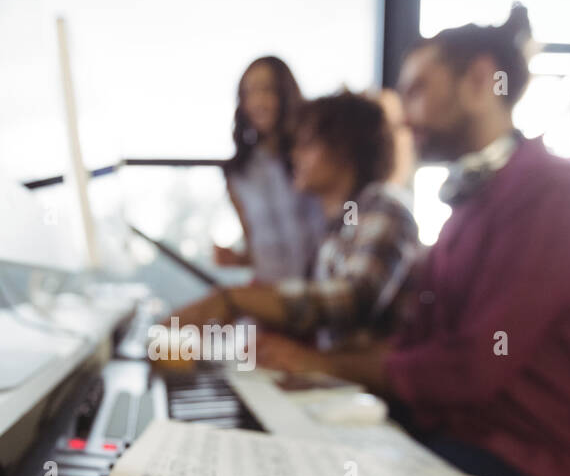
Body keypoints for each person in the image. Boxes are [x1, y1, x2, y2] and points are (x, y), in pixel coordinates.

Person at [256, 4, 570, 476]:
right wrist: (316, 364)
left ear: (480, 80)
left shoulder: (554, 194)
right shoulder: (473, 205)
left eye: (417, 89)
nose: (406, 115)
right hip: (458, 449)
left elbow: (473, 368)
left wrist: (323, 362)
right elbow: (415, 347)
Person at [173, 89, 418, 350]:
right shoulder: (348, 216)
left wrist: (235, 300)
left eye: (307, 144)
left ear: (345, 147)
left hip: (368, 388)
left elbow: (355, 299)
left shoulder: (382, 205)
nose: (295, 155)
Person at [217, 57, 327, 282]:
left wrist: (353, 222)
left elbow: (348, 212)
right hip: (272, 298)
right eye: (249, 93)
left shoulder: (316, 157)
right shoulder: (238, 174)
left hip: (319, 293)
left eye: (267, 90)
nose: (258, 102)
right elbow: (256, 246)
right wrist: (237, 258)